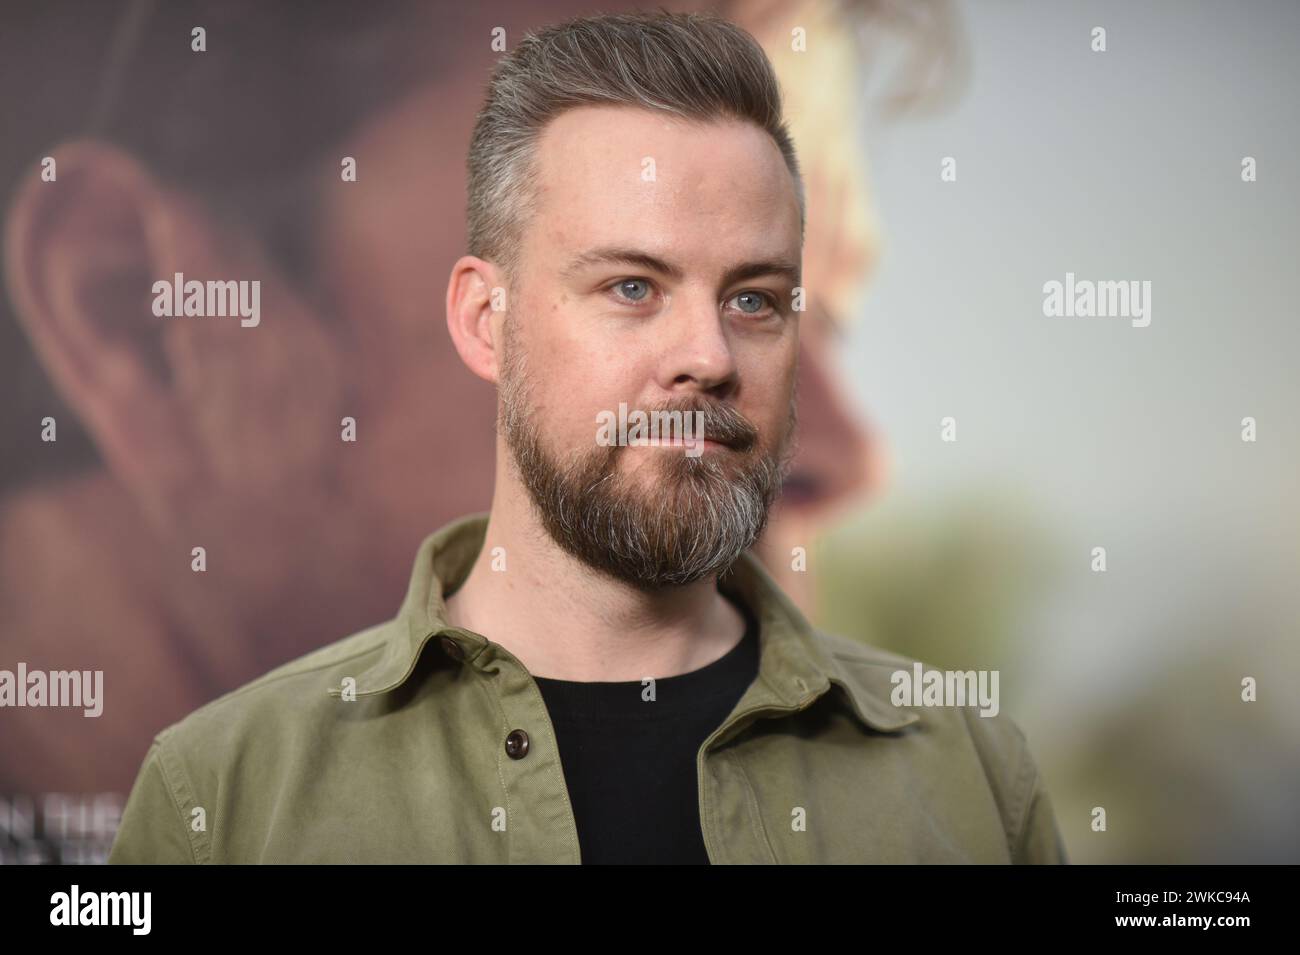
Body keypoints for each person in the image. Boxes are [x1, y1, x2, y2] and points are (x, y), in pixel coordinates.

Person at [107, 9, 1065, 864]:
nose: (710, 355)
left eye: (756, 299)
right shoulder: (224, 800)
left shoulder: (971, 782)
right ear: (486, 319)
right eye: (633, 287)